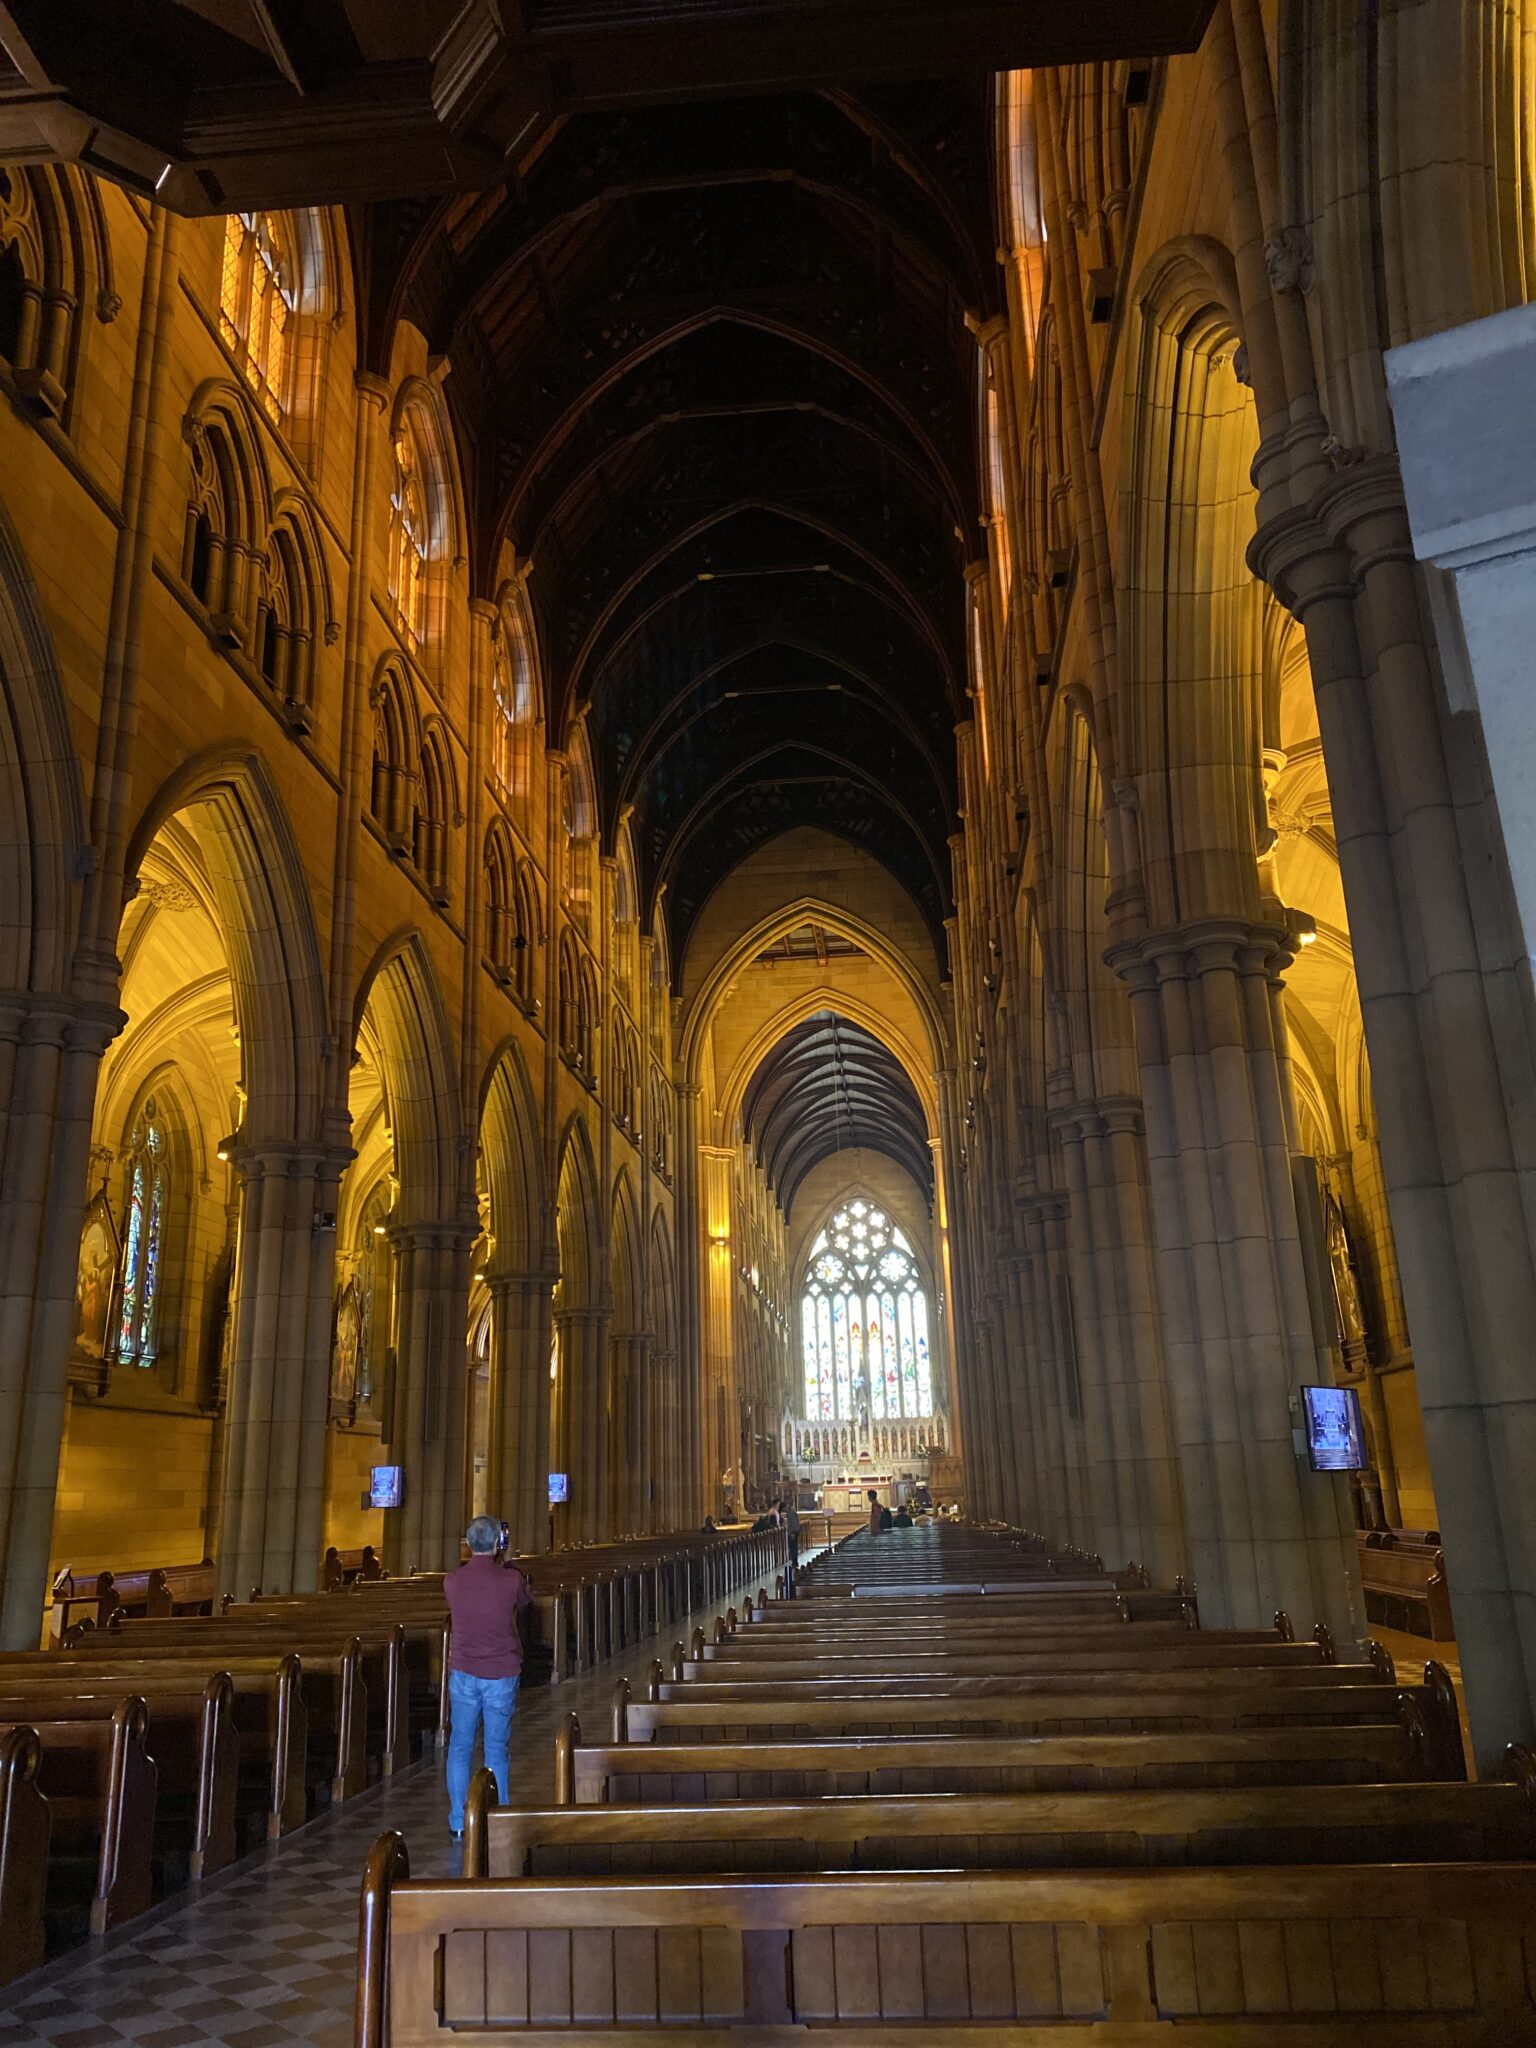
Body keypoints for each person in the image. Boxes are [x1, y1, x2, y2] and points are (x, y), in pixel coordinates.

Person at [442, 1514, 532, 1840]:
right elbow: (524, 1601)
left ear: (467, 1544)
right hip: (500, 1672)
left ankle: (458, 1820)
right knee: (496, 1747)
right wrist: (507, 1563)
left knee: (460, 1746)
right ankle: (498, 1815)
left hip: (463, 1671)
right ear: (498, 1543)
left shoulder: (451, 1581)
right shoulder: (510, 1580)